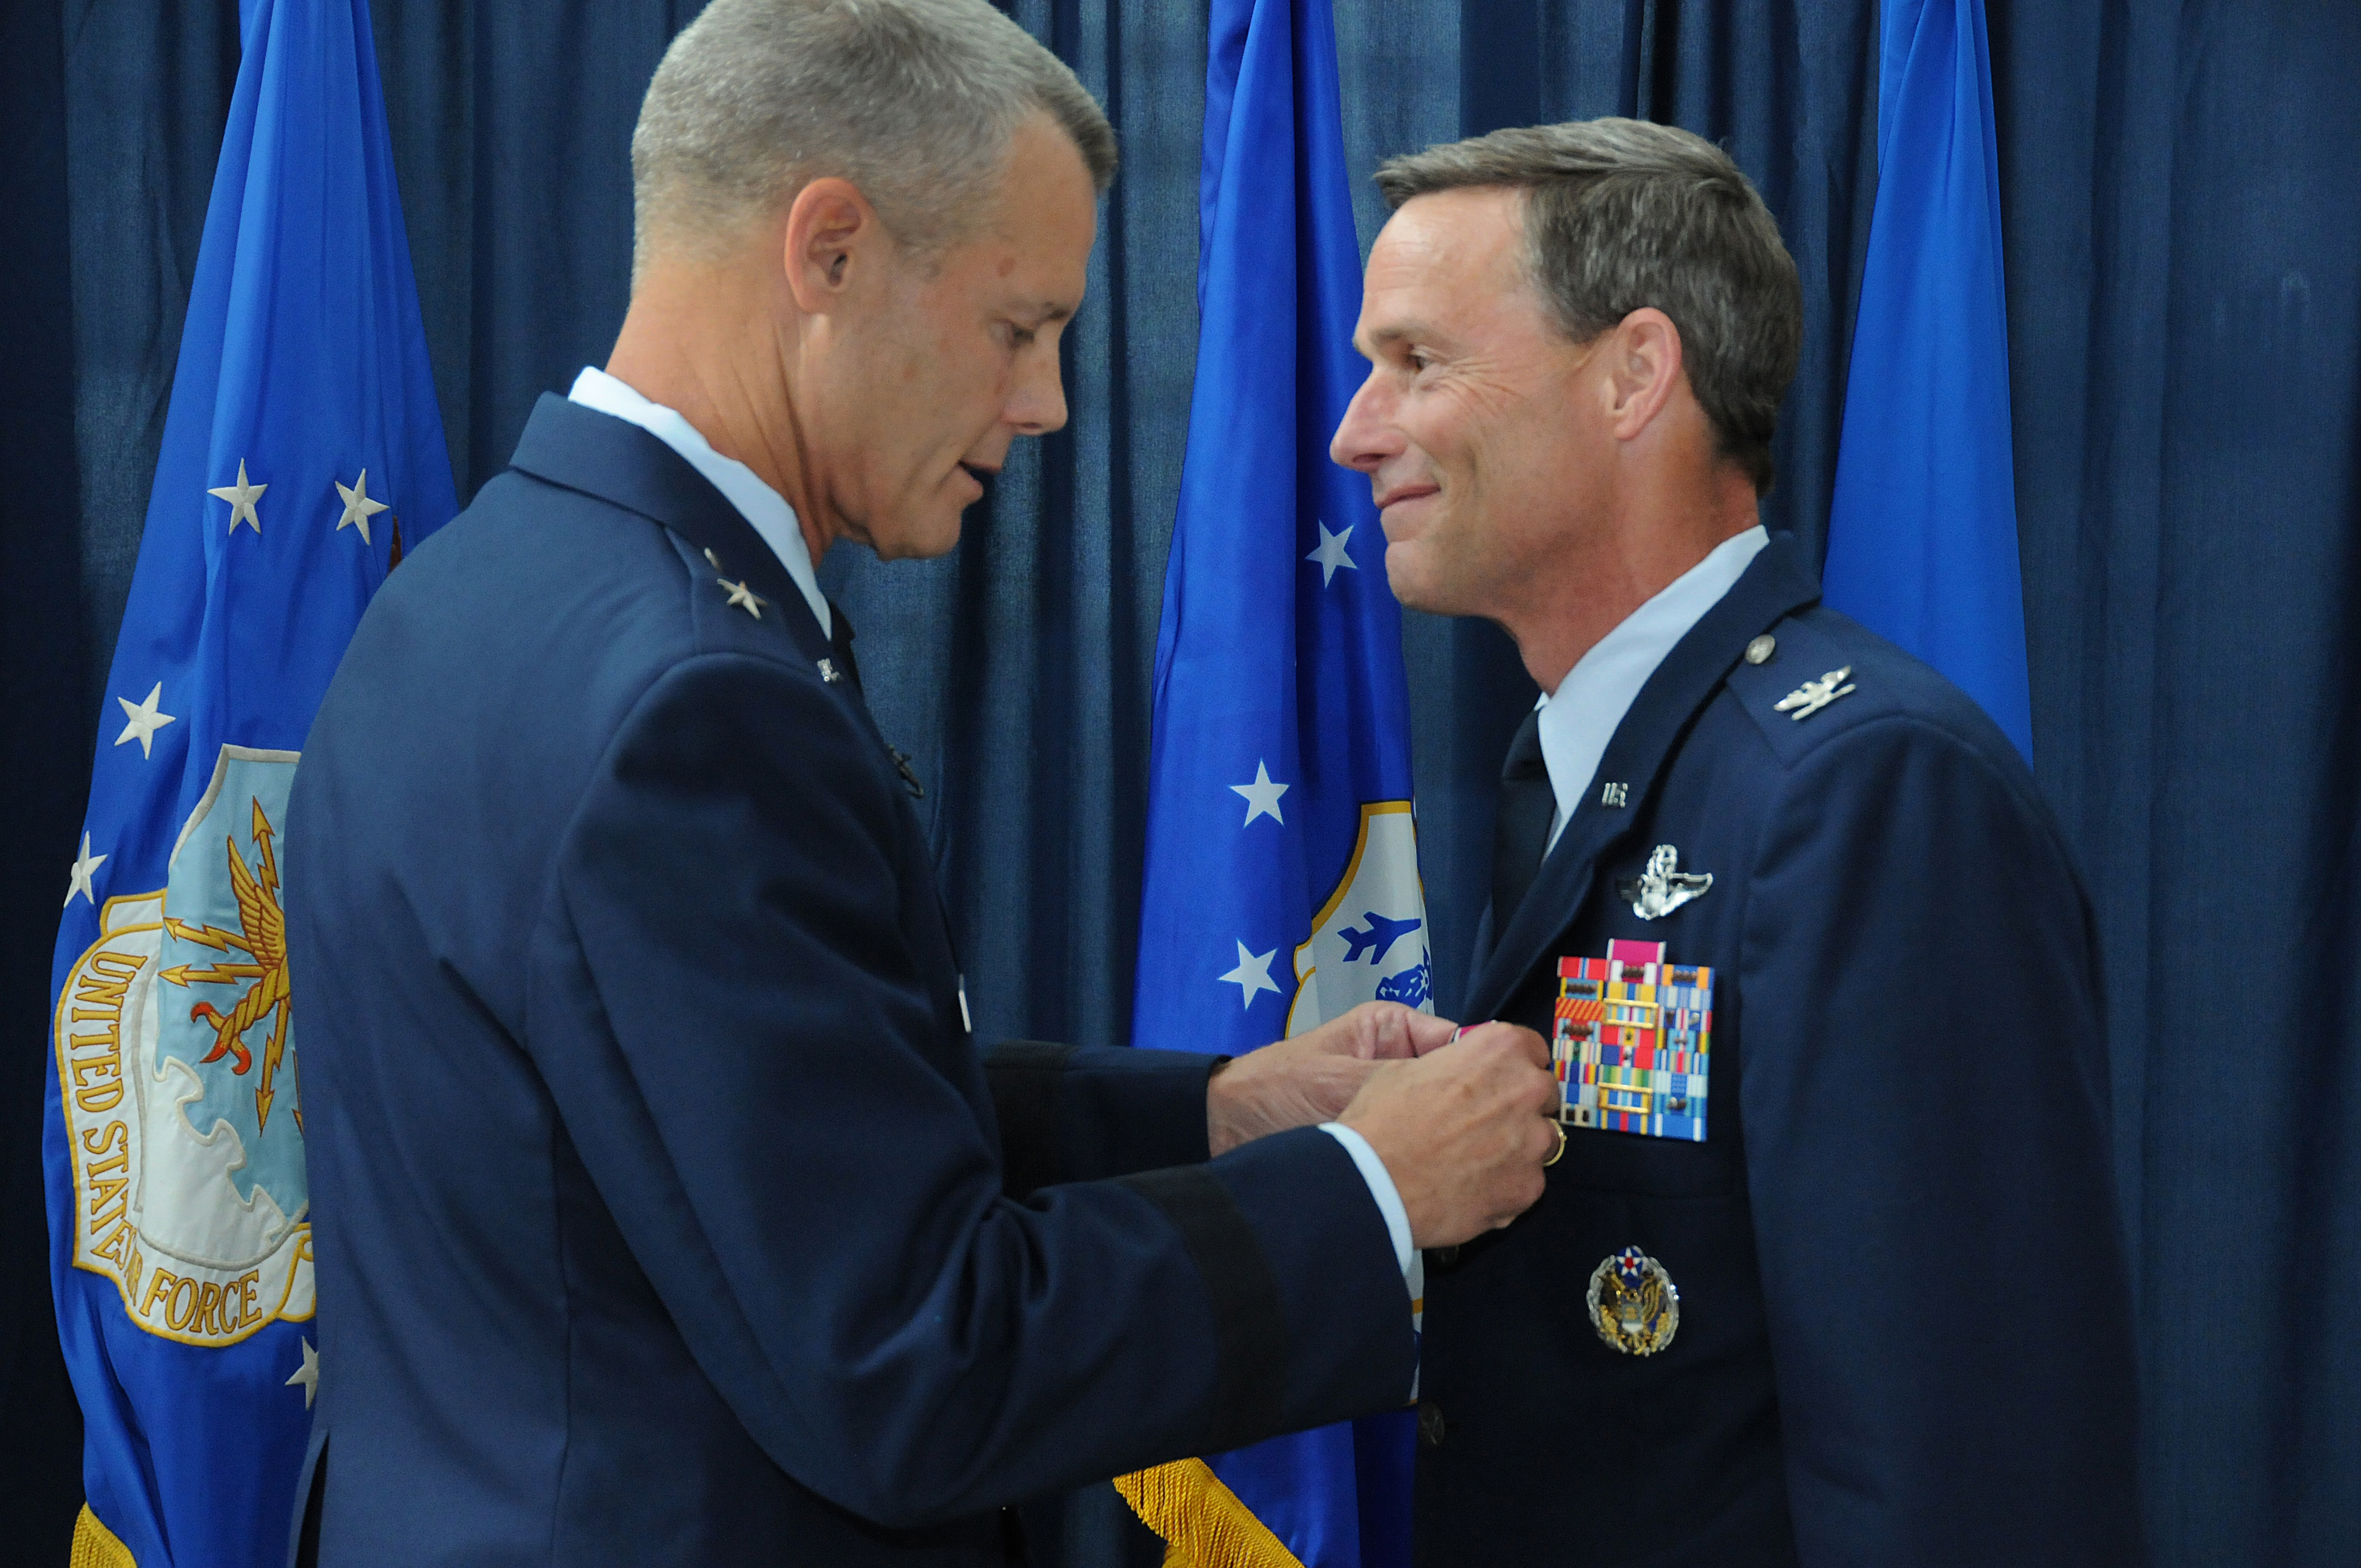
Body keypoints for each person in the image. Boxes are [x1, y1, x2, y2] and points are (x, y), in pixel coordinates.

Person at [280, 3, 1559, 1564]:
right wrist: (1374, 1189)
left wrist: (1223, 1111)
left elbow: (733, 1105)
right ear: (829, 251)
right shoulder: (693, 701)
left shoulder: (473, 591)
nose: (1049, 407)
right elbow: (913, 1366)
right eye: (1019, 328)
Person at [1329, 119, 2142, 1566]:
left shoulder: (1862, 791)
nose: (1356, 429)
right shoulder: (1579, 768)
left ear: (1636, 374)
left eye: (1417, 362)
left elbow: (1961, 1472)